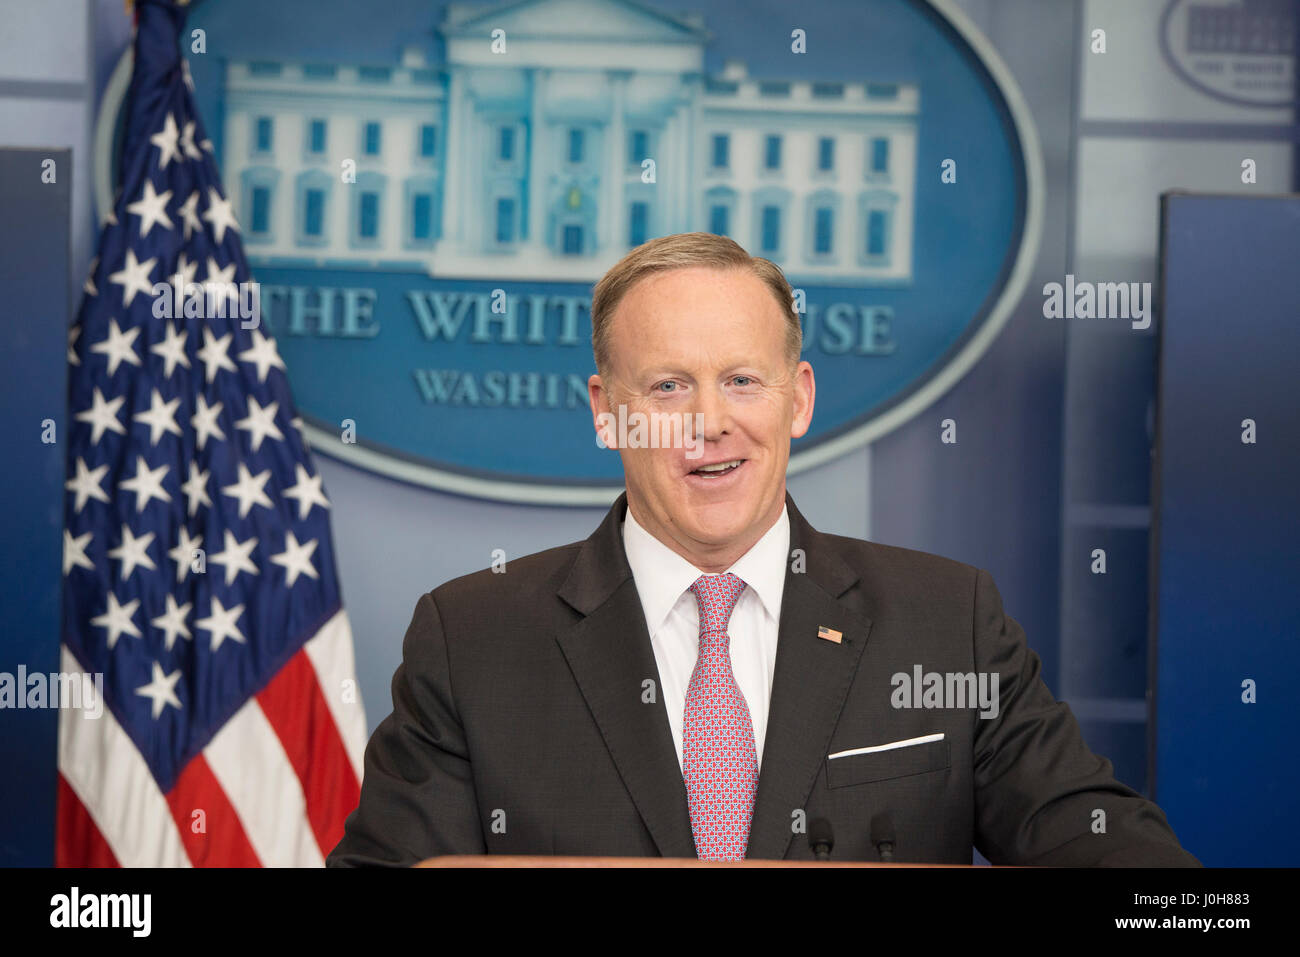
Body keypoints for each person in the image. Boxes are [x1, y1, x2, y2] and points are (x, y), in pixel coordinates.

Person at [327, 232, 1198, 866]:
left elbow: (1108, 852)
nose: (712, 420)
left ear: (798, 398)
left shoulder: (947, 622)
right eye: (669, 385)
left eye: (743, 379)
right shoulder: (472, 638)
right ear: (605, 409)